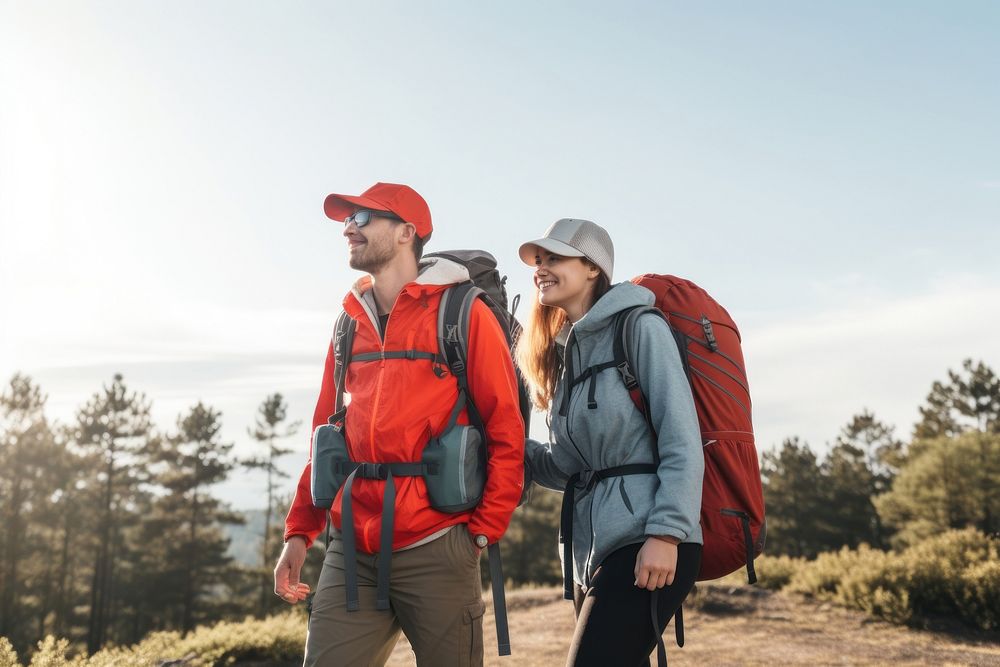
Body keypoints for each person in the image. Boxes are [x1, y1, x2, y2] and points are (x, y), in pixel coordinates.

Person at [274, 182, 525, 666]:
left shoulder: (463, 313)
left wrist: (482, 531)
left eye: (364, 218)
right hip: (353, 549)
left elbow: (505, 427)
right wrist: (299, 532)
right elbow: (325, 432)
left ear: (407, 232)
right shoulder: (349, 320)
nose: (349, 228)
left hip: (439, 544)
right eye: (349, 220)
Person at [515, 218, 704, 666]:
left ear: (593, 268)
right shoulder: (568, 354)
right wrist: (506, 443)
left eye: (554, 258)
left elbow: (682, 438)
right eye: (538, 260)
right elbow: (566, 467)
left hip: (647, 540)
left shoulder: (639, 328)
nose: (540, 268)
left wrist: (666, 534)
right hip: (591, 551)